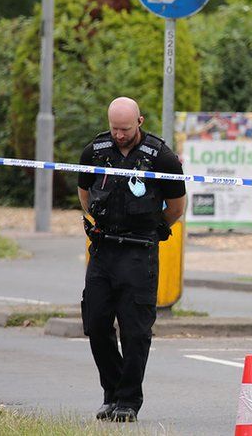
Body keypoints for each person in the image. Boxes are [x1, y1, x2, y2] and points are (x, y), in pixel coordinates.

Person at [77, 97, 186, 422]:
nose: (119, 135)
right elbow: (84, 193)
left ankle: (128, 401)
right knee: (96, 324)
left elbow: (177, 207)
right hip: (103, 250)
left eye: (125, 129)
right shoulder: (95, 151)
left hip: (139, 253)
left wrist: (153, 232)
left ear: (139, 121)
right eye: (114, 129)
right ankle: (111, 393)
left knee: (135, 331)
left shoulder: (161, 157)